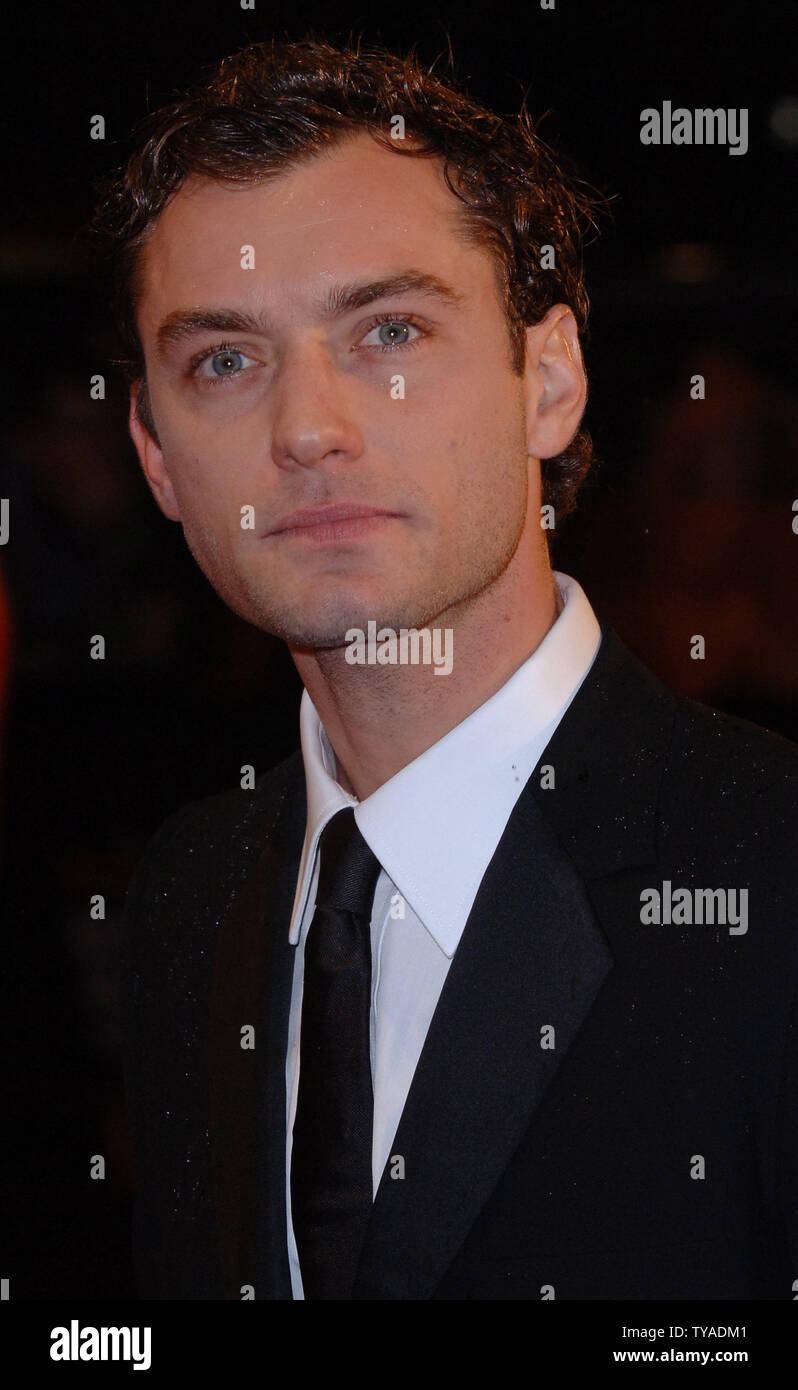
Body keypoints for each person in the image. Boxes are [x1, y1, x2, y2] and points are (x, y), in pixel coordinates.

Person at [91, 34, 798, 1300]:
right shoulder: (190, 901)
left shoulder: (771, 871)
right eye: (226, 361)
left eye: (391, 330)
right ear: (155, 457)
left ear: (553, 381)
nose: (308, 428)